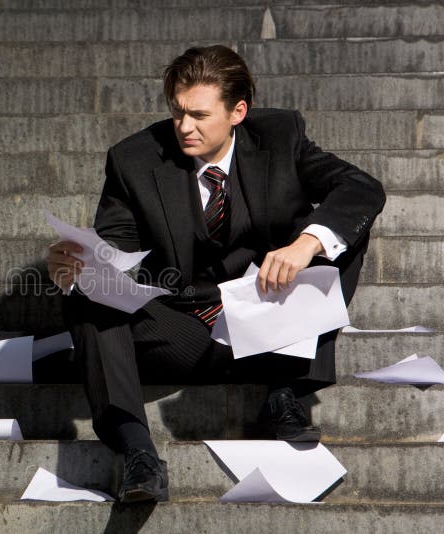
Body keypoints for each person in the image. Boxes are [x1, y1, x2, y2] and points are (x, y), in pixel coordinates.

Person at [46, 45, 385, 503]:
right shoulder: (134, 160)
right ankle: (137, 452)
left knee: (339, 234)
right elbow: (117, 251)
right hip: (184, 329)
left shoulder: (280, 137)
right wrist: (78, 268)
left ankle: (286, 392)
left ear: (238, 112)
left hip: (272, 319)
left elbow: (361, 189)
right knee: (88, 291)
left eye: (200, 115)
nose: (185, 127)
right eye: (178, 112)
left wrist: (306, 245)